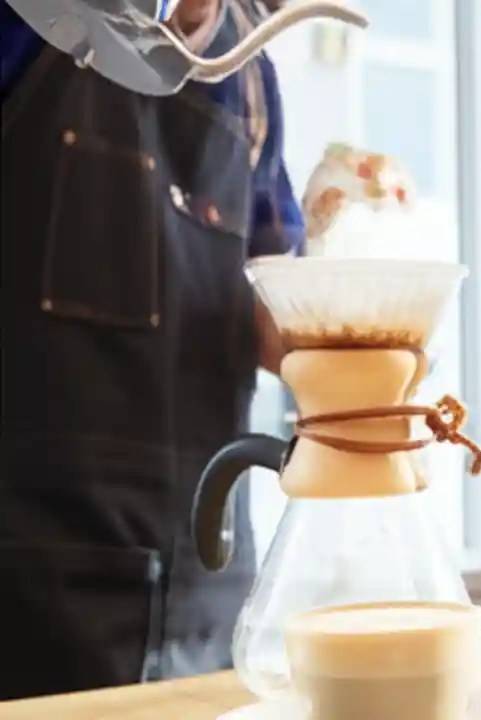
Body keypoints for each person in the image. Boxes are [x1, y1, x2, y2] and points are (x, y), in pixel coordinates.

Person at [0, 0, 300, 700]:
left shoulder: (250, 73)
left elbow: (275, 310)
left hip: (212, 583)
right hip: (33, 583)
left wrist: (368, 330)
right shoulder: (29, 21)